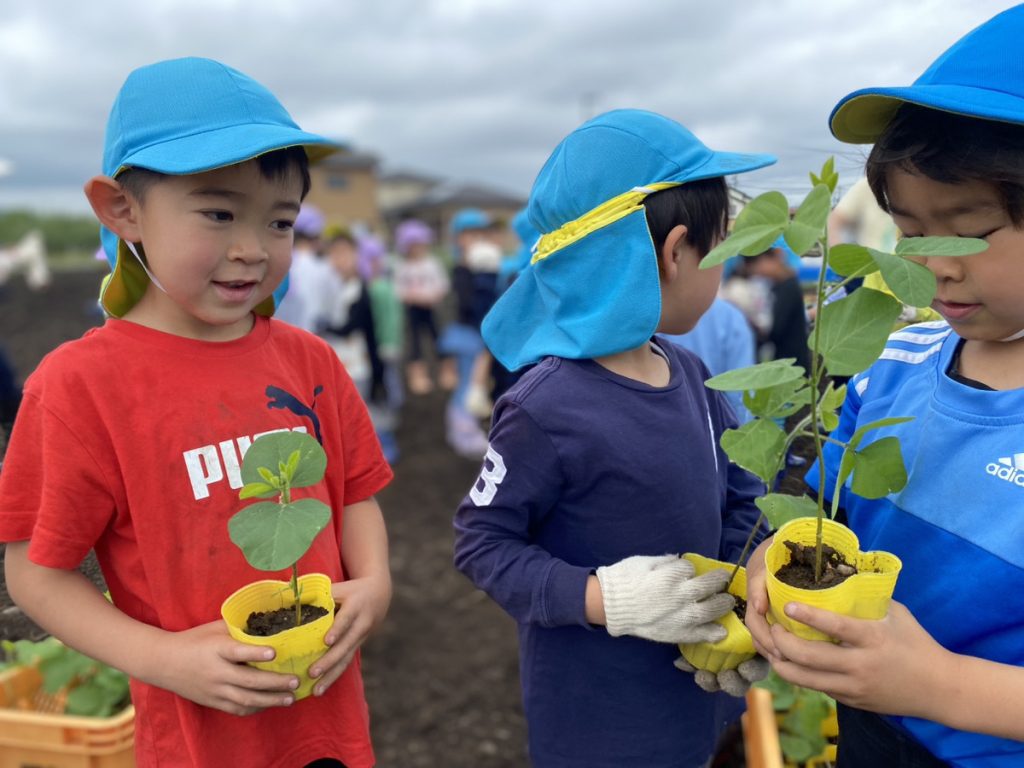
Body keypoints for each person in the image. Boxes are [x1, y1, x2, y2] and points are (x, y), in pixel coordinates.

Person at [0, 58, 393, 768]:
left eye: (280, 222)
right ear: (123, 210)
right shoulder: (81, 387)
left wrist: (374, 581)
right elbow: (35, 570)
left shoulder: (309, 362)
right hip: (197, 737)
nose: (252, 249)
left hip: (328, 718)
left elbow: (354, 492)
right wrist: (162, 658)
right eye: (218, 213)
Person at [453, 109, 774, 768]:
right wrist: (606, 599)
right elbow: (482, 544)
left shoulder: (693, 376)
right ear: (676, 252)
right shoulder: (545, 408)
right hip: (595, 722)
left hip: (692, 697)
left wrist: (746, 592)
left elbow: (741, 496)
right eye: (721, 248)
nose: (726, 268)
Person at [745, 8, 1024, 766]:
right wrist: (772, 561)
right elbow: (824, 510)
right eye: (909, 231)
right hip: (870, 729)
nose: (929, 265)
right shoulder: (895, 362)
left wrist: (939, 686)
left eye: (966, 230)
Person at [660, 296, 757, 424]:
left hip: (667, 422)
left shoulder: (659, 316)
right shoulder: (731, 318)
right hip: (719, 426)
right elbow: (741, 396)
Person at [393, 218, 451, 394]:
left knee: (438, 336)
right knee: (415, 342)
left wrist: (431, 296)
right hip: (413, 309)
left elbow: (442, 284)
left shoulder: (432, 263)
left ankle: (446, 370)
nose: (416, 249)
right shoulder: (403, 266)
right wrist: (412, 297)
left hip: (431, 307)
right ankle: (418, 376)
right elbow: (398, 289)